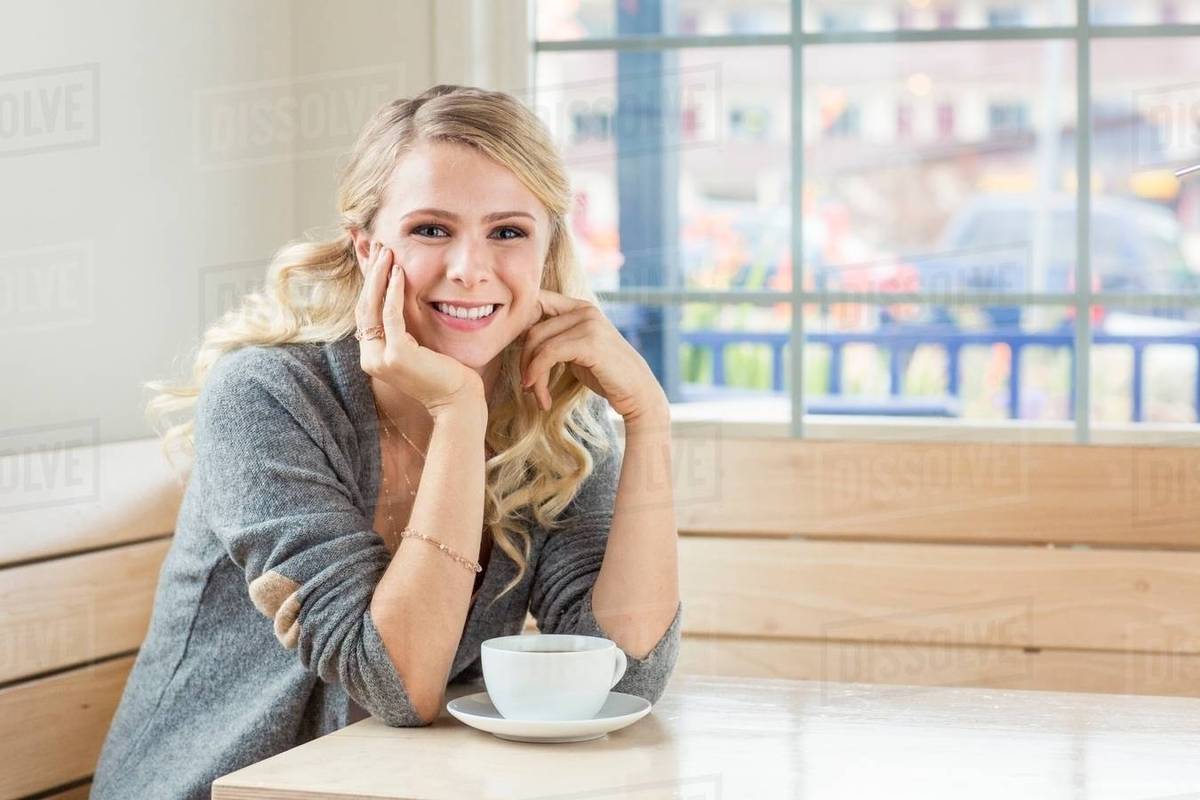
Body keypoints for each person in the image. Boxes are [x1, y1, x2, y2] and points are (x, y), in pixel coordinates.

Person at [90, 84, 683, 800]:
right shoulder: (266, 396)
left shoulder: (551, 418)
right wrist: (457, 411)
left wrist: (647, 418)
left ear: (548, 249)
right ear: (369, 249)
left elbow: (626, 674)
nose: (469, 268)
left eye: (508, 232)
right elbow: (396, 685)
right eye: (431, 229)